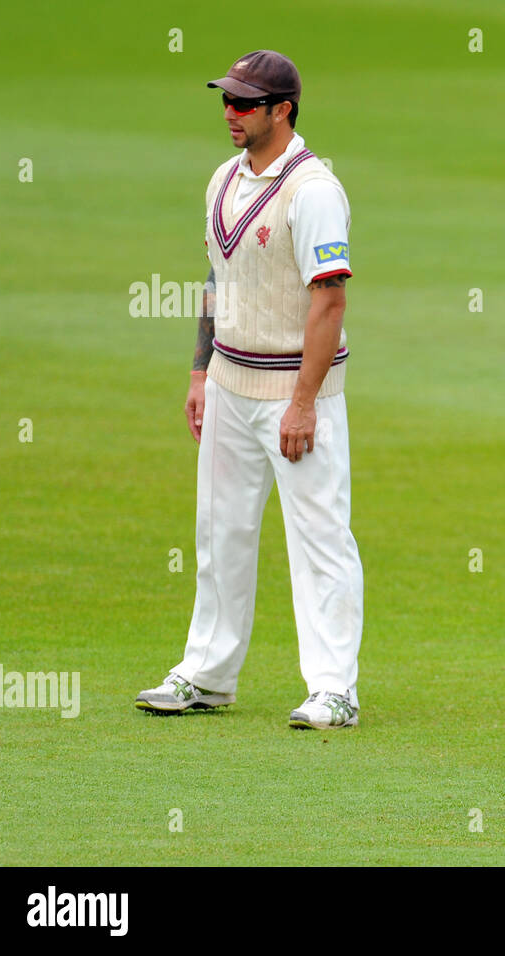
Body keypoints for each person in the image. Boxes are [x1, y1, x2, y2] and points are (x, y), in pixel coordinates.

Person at [136, 50, 364, 730]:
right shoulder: (222, 181)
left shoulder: (314, 190)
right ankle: (208, 673)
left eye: (243, 103)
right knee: (220, 529)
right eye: (226, 101)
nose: (230, 113)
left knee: (320, 536)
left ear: (282, 109)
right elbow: (217, 280)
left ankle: (334, 689)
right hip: (232, 385)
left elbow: (329, 303)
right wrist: (200, 372)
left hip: (297, 391)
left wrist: (303, 402)